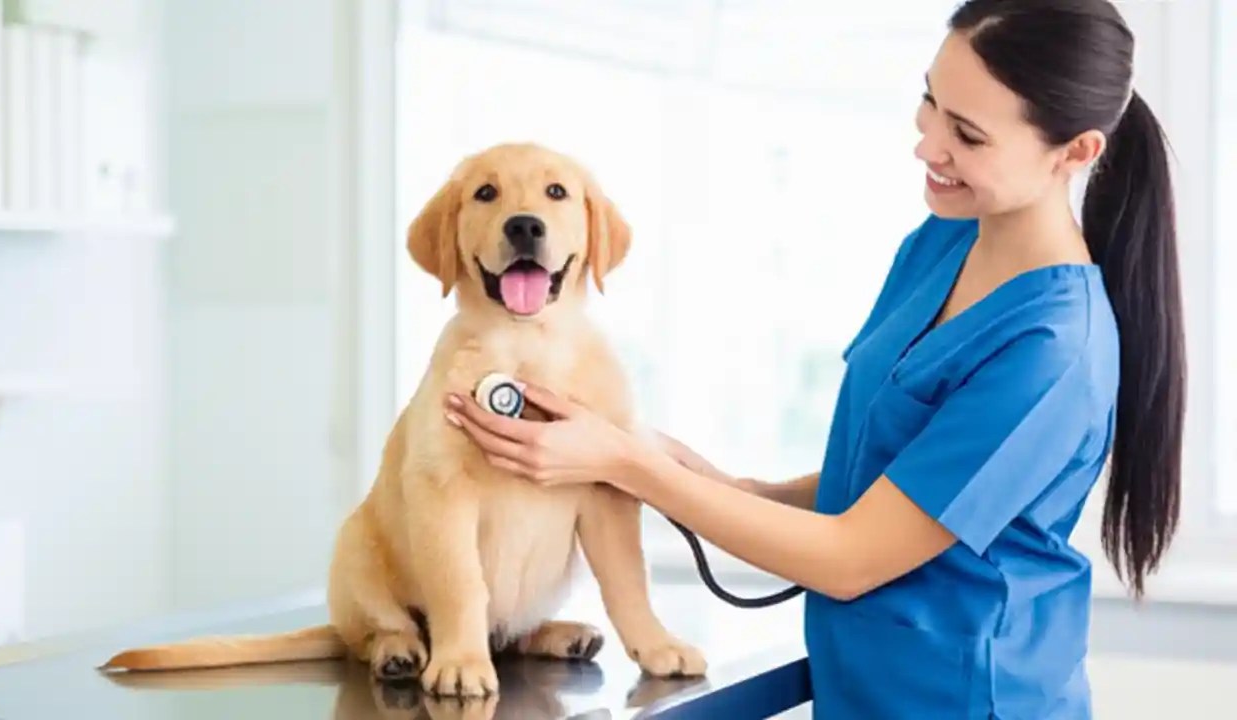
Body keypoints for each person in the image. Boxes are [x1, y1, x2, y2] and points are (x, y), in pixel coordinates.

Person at [443, 0, 1187, 716]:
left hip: (965, 701)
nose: (928, 145)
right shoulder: (943, 243)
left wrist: (628, 467)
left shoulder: (1053, 350)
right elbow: (888, 476)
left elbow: (852, 554)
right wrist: (704, 475)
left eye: (967, 133)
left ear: (1077, 151)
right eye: (930, 103)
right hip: (862, 691)